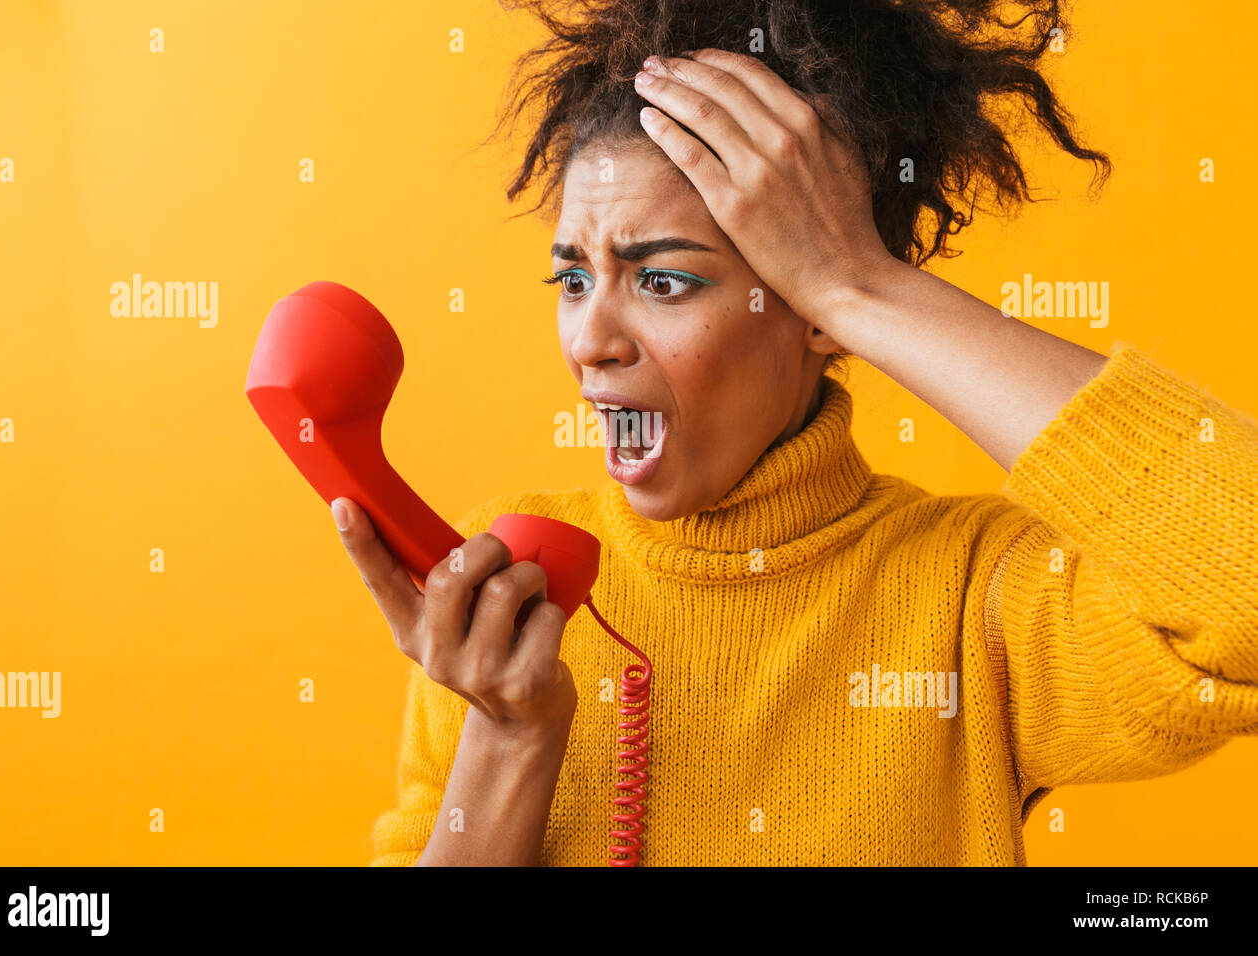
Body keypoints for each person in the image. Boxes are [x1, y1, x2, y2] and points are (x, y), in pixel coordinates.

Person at [339, 0, 1258, 865]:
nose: (589, 341)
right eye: (573, 279)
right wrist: (506, 733)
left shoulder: (977, 600)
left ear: (813, 312)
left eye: (662, 280)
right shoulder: (510, 593)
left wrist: (861, 285)